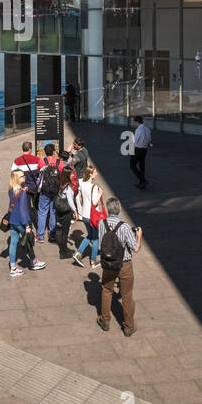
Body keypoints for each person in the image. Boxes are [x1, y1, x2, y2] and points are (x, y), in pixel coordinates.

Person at [97, 197, 141, 336]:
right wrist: (139, 235)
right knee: (127, 295)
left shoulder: (101, 223)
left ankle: (105, 320)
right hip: (124, 264)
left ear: (109, 210)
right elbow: (135, 248)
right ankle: (128, 327)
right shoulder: (125, 226)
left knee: (106, 290)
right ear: (119, 209)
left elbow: (100, 243)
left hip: (108, 263)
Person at [5, 170, 45, 277]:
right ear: (18, 178)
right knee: (28, 241)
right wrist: (27, 225)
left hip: (12, 219)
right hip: (21, 221)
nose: (24, 177)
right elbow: (23, 211)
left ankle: (13, 267)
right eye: (22, 176)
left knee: (13, 243)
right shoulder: (22, 193)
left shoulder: (11, 189)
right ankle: (34, 262)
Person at [70, 166, 104, 268]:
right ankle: (93, 261)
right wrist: (100, 194)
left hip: (84, 215)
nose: (96, 174)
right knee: (96, 237)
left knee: (90, 235)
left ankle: (78, 253)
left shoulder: (82, 185)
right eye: (95, 172)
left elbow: (79, 198)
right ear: (90, 174)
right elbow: (94, 202)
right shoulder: (94, 187)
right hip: (92, 216)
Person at [35, 143, 65, 243]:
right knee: (53, 212)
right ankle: (52, 235)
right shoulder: (59, 162)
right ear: (53, 152)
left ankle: (40, 236)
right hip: (56, 190)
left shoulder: (42, 161)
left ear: (45, 152)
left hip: (45, 190)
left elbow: (39, 172)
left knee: (42, 212)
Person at [51, 168, 77, 258]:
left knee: (59, 230)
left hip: (58, 210)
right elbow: (70, 201)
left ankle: (63, 248)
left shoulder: (60, 184)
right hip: (66, 212)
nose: (73, 175)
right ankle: (63, 252)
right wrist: (75, 211)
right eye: (71, 174)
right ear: (67, 176)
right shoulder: (68, 188)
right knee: (65, 232)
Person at [129, 115, 151, 189]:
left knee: (132, 165)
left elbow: (135, 140)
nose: (134, 124)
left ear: (137, 122)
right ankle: (141, 183)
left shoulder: (138, 129)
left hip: (138, 149)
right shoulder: (147, 128)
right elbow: (149, 139)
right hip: (144, 149)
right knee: (142, 166)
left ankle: (143, 180)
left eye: (135, 122)